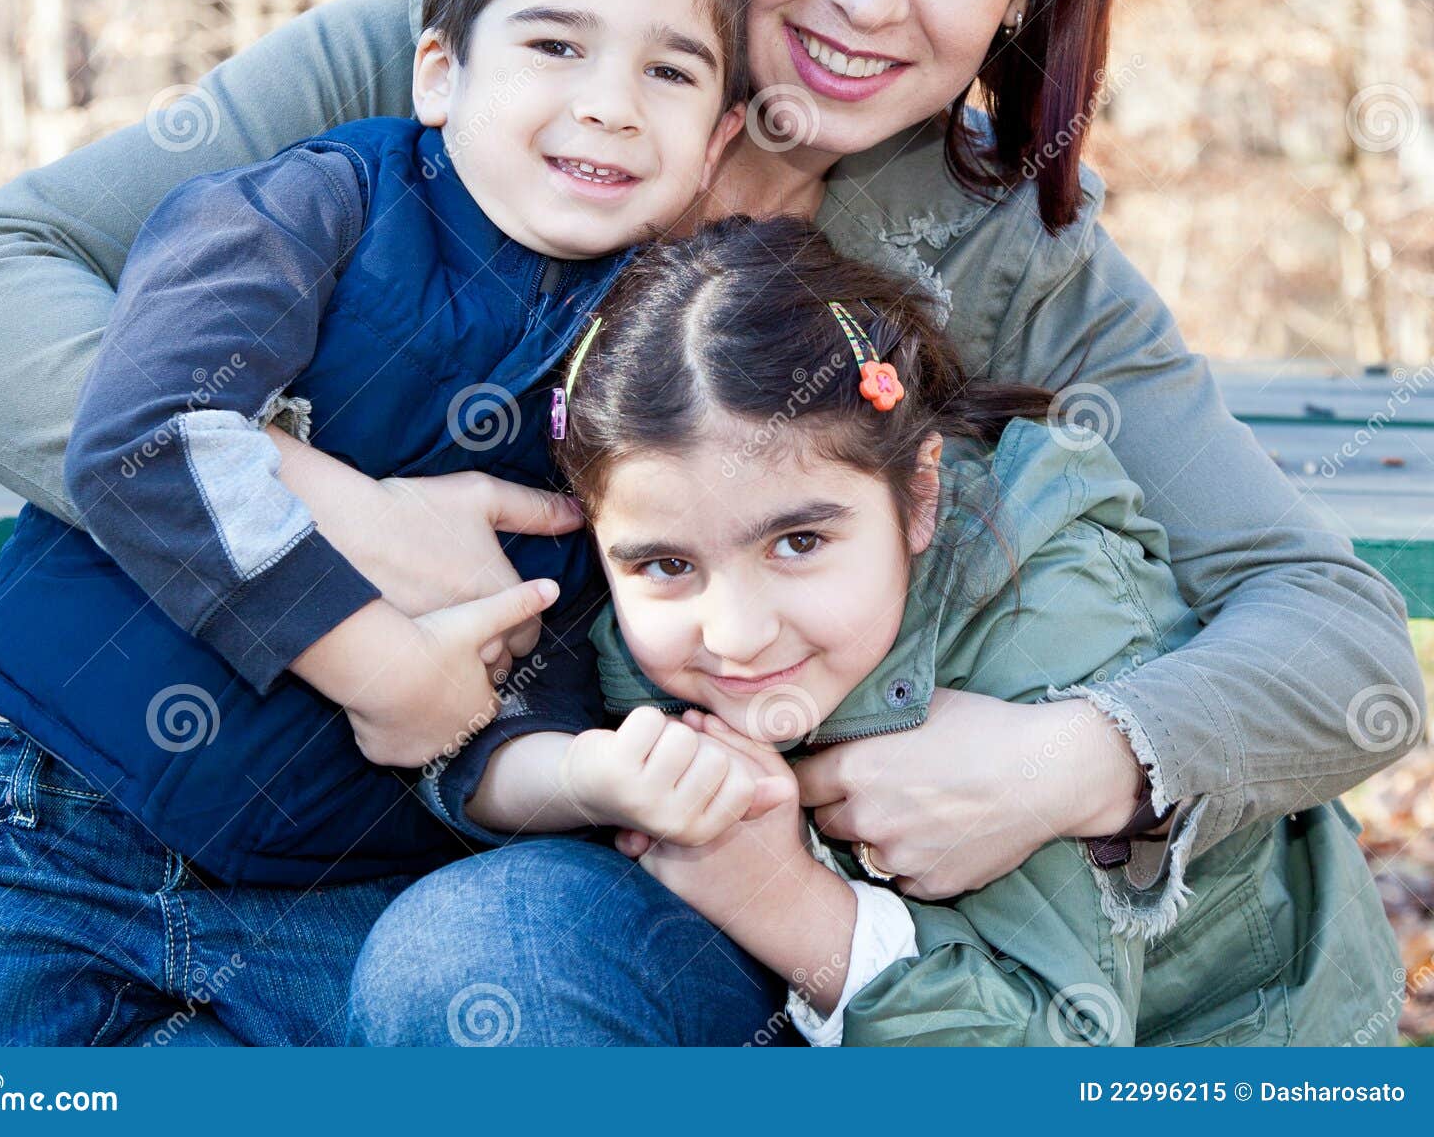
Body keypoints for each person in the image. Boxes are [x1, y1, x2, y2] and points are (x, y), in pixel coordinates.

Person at [0, 0, 1424, 1047]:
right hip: (241, 804)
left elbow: (1342, 636)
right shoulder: (464, 54)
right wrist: (334, 509)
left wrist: (1065, 761)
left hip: (757, 899)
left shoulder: (1012, 255)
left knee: (481, 965)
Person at [0, 0, 788, 1047]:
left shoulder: (660, 353)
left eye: (670, 73)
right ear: (441, 70)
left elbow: (549, 657)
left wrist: (569, 767)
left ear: (721, 135)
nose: (609, 107)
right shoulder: (316, 204)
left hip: (347, 882)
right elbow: (150, 437)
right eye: (555, 44)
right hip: (62, 828)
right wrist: (376, 663)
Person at [477, 215, 1401, 1046]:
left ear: (919, 495)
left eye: (798, 542)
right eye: (668, 566)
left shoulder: (1053, 621)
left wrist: (789, 906)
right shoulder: (639, 635)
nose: (738, 635)